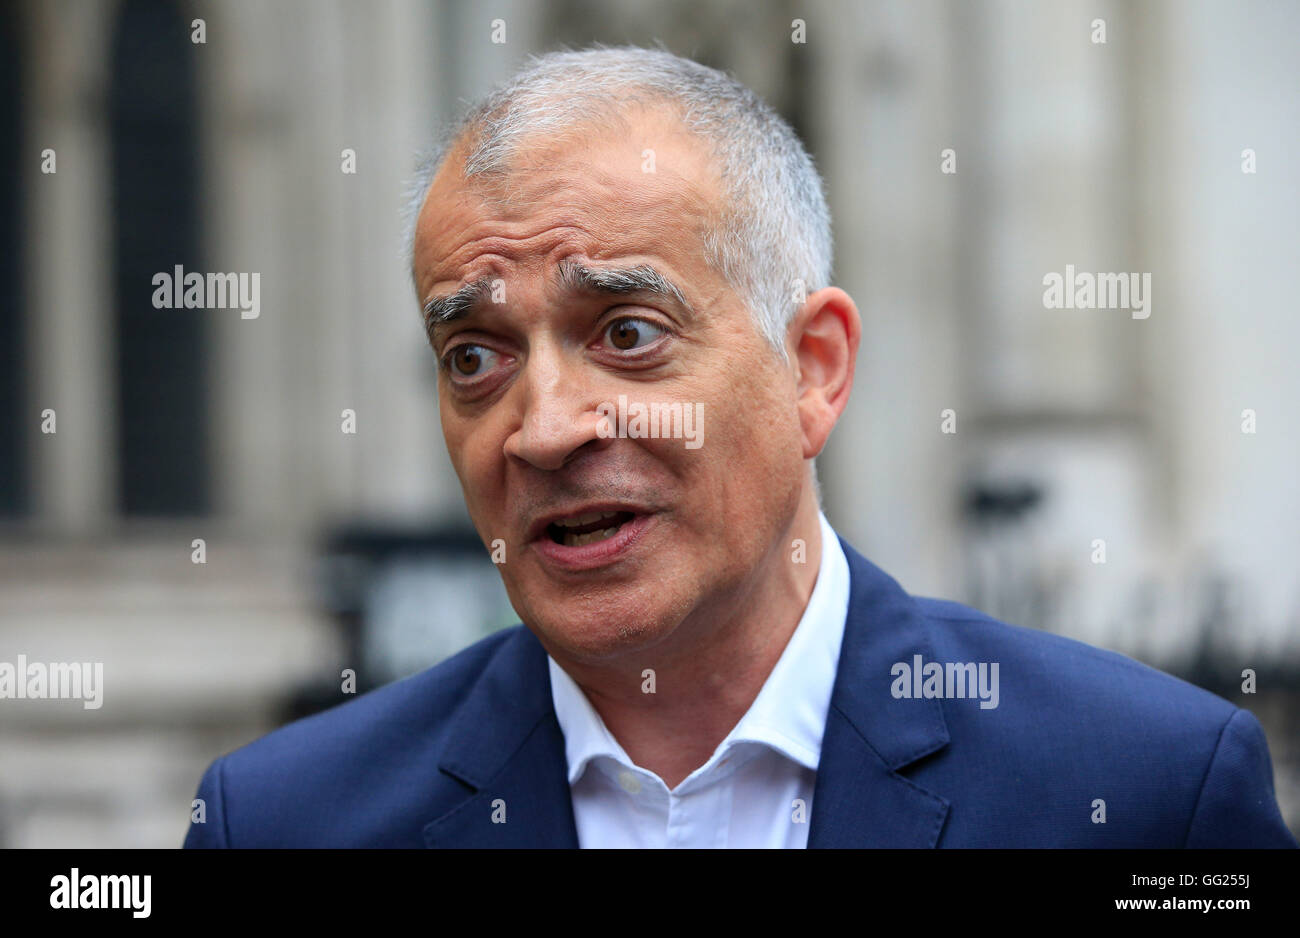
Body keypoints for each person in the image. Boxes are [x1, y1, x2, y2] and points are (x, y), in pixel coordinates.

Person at [184, 46, 1296, 848]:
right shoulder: (283, 820)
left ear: (813, 368)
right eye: (475, 355)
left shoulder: (1145, 789)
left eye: (626, 333)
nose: (545, 426)